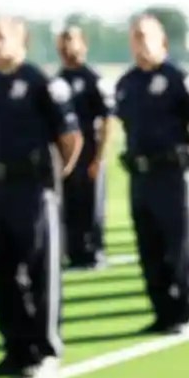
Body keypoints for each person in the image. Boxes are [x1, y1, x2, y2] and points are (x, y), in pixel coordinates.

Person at [0, 16, 82, 378]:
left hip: (33, 188)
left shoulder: (41, 83)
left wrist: (51, 178)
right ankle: (15, 348)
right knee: (3, 271)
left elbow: (70, 138)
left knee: (39, 269)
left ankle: (45, 348)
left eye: (1, 37)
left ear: (21, 40)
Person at [113, 14, 189, 334]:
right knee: (149, 244)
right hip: (141, 174)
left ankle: (187, 306)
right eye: (135, 37)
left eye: (146, 36)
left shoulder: (179, 79)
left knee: (180, 243)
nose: (140, 43)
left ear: (162, 42)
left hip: (173, 172)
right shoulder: (126, 84)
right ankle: (162, 309)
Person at [55, 26, 112, 269]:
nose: (67, 46)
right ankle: (72, 250)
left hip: (89, 151)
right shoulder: (57, 81)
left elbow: (108, 120)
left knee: (91, 203)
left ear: (83, 44)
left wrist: (100, 157)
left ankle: (92, 252)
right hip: (65, 154)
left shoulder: (93, 79)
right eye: (63, 41)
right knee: (68, 204)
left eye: (71, 40)